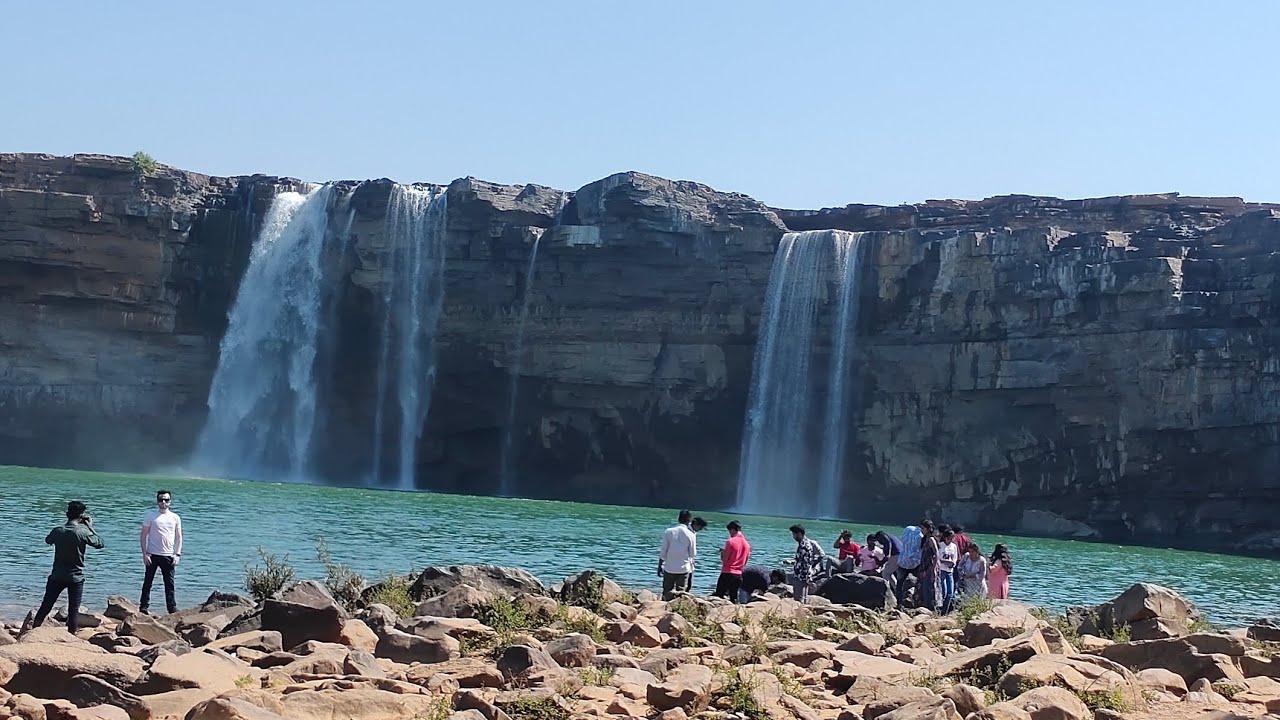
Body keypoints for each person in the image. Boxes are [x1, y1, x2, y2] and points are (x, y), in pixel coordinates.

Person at [30, 501, 105, 634]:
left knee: (46, 605)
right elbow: (100, 543)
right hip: (75, 577)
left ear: (67, 514)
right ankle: (71, 635)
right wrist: (90, 527)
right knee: (73, 609)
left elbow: (48, 540)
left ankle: (34, 630)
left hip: (57, 575)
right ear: (81, 517)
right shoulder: (83, 533)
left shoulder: (58, 531)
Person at [139, 489, 183, 615]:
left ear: (170, 501)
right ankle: (143, 607)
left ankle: (171, 608)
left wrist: (177, 554)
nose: (163, 502)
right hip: (152, 554)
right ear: (157, 501)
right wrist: (145, 553)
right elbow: (143, 536)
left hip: (168, 555)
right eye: (161, 500)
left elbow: (179, 537)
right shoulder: (151, 516)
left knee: (169, 584)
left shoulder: (175, 517)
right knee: (148, 582)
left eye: (166, 500)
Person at [658, 510, 698, 600]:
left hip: (669, 567)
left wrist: (660, 566)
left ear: (678, 519)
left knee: (666, 590)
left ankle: (664, 606)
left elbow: (663, 551)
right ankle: (677, 609)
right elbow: (693, 554)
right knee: (681, 592)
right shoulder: (691, 534)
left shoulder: (668, 531)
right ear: (689, 521)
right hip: (683, 568)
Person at [714, 520, 752, 603]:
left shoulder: (730, 541)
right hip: (738, 574)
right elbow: (745, 561)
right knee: (733, 598)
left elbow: (725, 559)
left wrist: (722, 553)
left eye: (729, 531)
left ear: (732, 530)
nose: (729, 534)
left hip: (727, 573)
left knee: (718, 597)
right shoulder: (747, 545)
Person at [788, 525, 825, 603]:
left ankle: (799, 613)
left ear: (799, 534)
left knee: (798, 599)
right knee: (804, 598)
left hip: (801, 575)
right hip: (805, 574)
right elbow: (803, 560)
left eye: (794, 534)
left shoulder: (804, 545)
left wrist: (813, 564)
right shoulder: (807, 543)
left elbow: (804, 561)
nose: (793, 537)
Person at [894, 523, 923, 606]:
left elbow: (902, 540)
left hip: (903, 560)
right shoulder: (921, 535)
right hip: (915, 562)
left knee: (899, 583)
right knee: (920, 582)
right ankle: (917, 602)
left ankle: (899, 603)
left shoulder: (907, 529)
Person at [916, 521, 941, 612]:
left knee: (930, 587)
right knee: (924, 587)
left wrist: (934, 568)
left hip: (930, 566)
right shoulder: (925, 539)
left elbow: (936, 554)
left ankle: (931, 608)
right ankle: (926, 606)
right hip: (924, 566)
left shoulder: (931, 539)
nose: (922, 530)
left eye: (923, 528)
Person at [938, 526, 958, 614]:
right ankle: (941, 609)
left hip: (950, 571)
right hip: (942, 570)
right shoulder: (940, 545)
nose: (950, 540)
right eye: (949, 538)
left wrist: (953, 563)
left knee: (950, 593)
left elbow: (955, 558)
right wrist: (945, 561)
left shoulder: (953, 546)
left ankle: (945, 611)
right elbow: (937, 558)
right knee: (944, 591)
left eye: (951, 538)